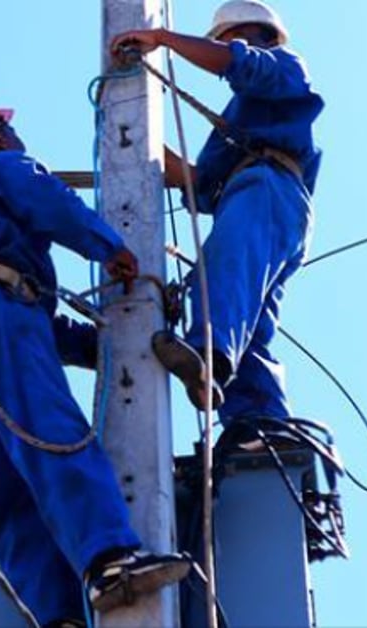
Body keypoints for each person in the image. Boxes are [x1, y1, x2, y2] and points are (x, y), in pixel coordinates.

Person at [0, 96, 189, 626]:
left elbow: (37, 328)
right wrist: (107, 245)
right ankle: (111, 561)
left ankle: (57, 615)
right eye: (7, 128)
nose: (16, 138)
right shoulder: (2, 167)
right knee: (53, 432)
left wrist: (101, 347)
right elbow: (46, 197)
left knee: (11, 481)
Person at [112, 0, 324, 425]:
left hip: (268, 188)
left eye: (225, 38)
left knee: (223, 270)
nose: (222, 47)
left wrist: (163, 39)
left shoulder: (285, 68)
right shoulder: (238, 124)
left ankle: (209, 354)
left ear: (253, 33)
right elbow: (198, 182)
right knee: (251, 327)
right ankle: (256, 426)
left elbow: (240, 64)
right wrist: (135, 138)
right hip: (258, 198)